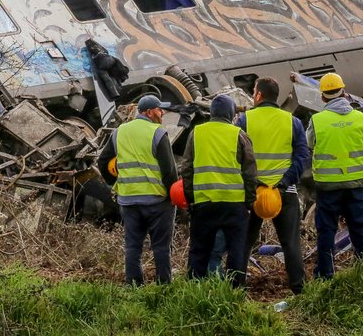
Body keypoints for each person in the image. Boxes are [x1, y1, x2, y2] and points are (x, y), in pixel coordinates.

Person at [96, 94, 180, 285]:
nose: (163, 113)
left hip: (128, 201)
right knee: (161, 247)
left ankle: (133, 285)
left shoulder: (119, 132)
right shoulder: (158, 133)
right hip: (157, 201)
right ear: (149, 112)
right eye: (160, 109)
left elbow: (102, 162)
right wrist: (173, 196)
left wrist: (115, 182)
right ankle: (163, 285)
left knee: (133, 246)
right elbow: (169, 171)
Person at [238, 77, 309, 294]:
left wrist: (253, 184)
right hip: (284, 191)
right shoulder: (292, 121)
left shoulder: (244, 120)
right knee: (291, 244)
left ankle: (236, 288)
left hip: (253, 193)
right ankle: (299, 289)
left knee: (243, 243)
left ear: (258, 95)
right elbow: (302, 156)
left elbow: (237, 157)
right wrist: (284, 182)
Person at [184, 95, 259, 287]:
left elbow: (186, 169)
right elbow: (250, 173)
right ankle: (234, 293)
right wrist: (249, 203)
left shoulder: (196, 133)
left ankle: (194, 291)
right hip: (234, 205)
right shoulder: (240, 135)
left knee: (199, 251)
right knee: (236, 251)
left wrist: (191, 199)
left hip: (204, 203)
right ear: (231, 113)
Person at [308, 72, 363, 279]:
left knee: (326, 230)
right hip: (356, 184)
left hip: (328, 186)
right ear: (344, 92)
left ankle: (326, 273)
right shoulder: (360, 117)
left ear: (322, 97)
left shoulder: (317, 120)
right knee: (360, 226)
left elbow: (310, 143)